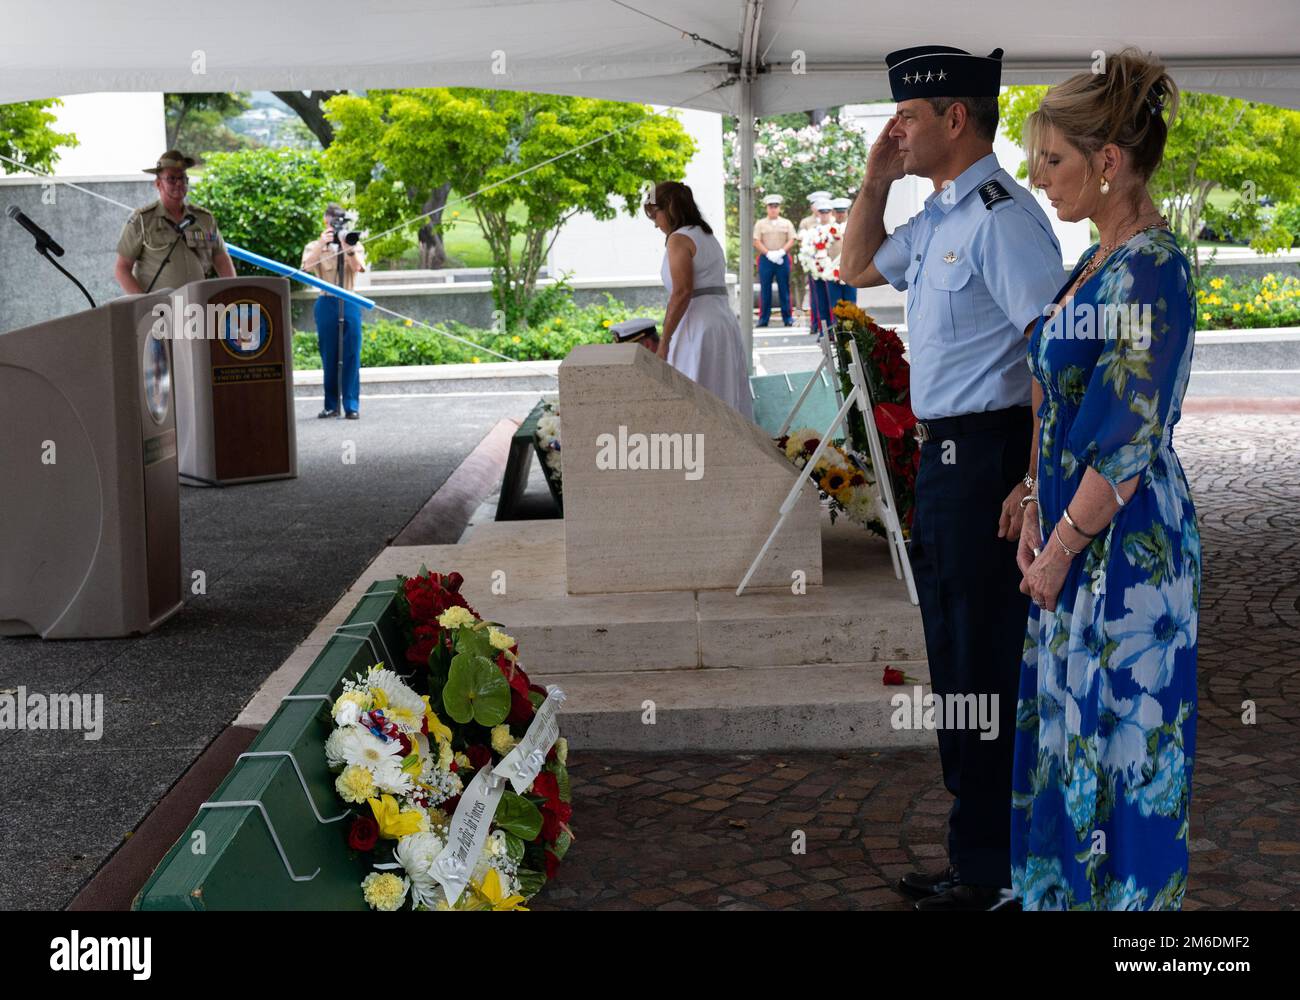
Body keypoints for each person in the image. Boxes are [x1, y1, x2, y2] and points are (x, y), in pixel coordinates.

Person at [838, 44, 1065, 911]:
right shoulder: (941, 214)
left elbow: (1053, 349)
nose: (896, 128)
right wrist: (875, 180)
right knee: (956, 658)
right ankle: (978, 859)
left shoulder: (1002, 218)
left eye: (909, 117)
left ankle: (997, 870)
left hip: (992, 458)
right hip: (946, 459)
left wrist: (1036, 477)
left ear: (955, 118)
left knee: (986, 662)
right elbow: (857, 267)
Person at [1012, 49, 1198, 911]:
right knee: (1068, 741)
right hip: (1071, 536)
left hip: (1123, 549)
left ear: (1109, 163)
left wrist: (1058, 546)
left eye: (1052, 159)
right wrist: (1027, 493)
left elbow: (1126, 436)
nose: (1037, 176)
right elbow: (1060, 400)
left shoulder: (1151, 266)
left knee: (1125, 751)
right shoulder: (1094, 262)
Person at [646, 181, 753, 419]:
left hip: (698, 326)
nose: (655, 224)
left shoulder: (678, 239)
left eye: (655, 215)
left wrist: (664, 341)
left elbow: (682, 292)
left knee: (696, 396)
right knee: (724, 395)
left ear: (669, 208)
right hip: (721, 322)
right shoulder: (706, 235)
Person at [114, 149, 236, 296]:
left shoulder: (204, 219)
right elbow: (122, 269)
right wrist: (144, 304)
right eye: (171, 179)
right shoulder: (142, 220)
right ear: (158, 184)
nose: (179, 183)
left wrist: (233, 294)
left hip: (198, 306)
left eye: (183, 178)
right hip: (159, 311)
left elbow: (221, 258)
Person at [301, 205, 367, 419]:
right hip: (326, 301)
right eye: (333, 222)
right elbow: (306, 268)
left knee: (351, 353)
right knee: (329, 354)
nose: (336, 227)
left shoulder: (354, 244)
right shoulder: (314, 245)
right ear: (325, 222)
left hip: (349, 300)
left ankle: (351, 405)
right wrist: (322, 244)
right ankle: (331, 405)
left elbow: (358, 268)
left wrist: (348, 248)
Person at [753, 194, 796, 327]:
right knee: (765, 289)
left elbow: (792, 239)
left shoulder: (786, 223)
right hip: (766, 258)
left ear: (779, 208)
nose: (773, 209)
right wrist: (768, 253)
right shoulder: (760, 224)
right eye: (771, 207)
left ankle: (787, 318)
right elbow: (756, 240)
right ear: (767, 208)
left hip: (782, 258)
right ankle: (763, 319)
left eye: (776, 207)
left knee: (784, 288)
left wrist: (781, 252)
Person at [804, 197, 836, 333]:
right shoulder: (813, 230)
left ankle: (835, 331)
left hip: (833, 272)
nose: (824, 215)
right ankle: (824, 331)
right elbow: (807, 250)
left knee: (834, 303)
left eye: (827, 212)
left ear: (831, 213)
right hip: (817, 271)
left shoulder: (836, 229)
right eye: (822, 212)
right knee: (820, 302)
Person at [828, 197, 857, 307]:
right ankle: (838, 324)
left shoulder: (854, 226)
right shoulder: (827, 228)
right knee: (835, 302)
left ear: (847, 212)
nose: (840, 214)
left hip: (850, 268)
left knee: (851, 301)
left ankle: (851, 324)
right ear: (833, 213)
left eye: (843, 211)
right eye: (838, 212)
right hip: (832, 269)